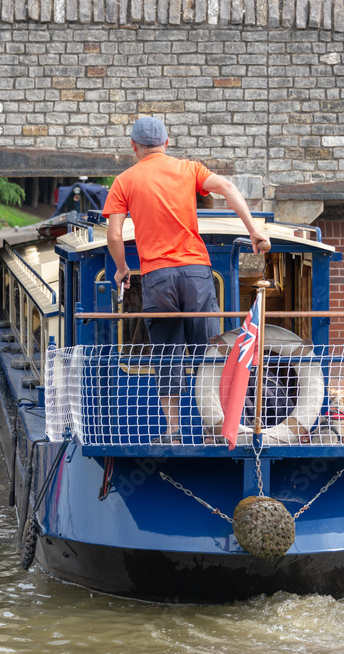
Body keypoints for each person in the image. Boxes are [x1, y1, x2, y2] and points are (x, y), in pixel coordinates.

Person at [102, 116, 271, 444]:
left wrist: (122, 269)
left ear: (133, 147)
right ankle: (214, 429)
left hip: (157, 277)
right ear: (167, 143)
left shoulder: (123, 181)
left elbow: (114, 235)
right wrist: (254, 230)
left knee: (167, 353)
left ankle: (173, 432)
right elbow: (228, 188)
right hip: (195, 270)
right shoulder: (189, 169)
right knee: (209, 349)